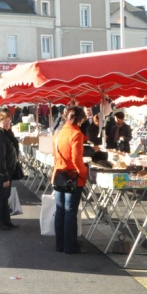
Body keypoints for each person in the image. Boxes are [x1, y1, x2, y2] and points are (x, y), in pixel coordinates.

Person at [51, 106, 88, 254]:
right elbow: (77, 159)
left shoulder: (58, 133)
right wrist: (83, 173)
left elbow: (55, 156)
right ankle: (70, 246)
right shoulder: (76, 134)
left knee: (60, 211)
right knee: (70, 212)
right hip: (72, 176)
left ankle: (60, 244)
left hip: (58, 174)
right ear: (79, 119)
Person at [0, 111, 20, 231]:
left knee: (4, 196)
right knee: (0, 196)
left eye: (9, 121)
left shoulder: (5, 133)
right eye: (5, 122)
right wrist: (4, 176)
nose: (8, 123)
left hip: (8, 169)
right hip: (3, 171)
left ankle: (5, 220)